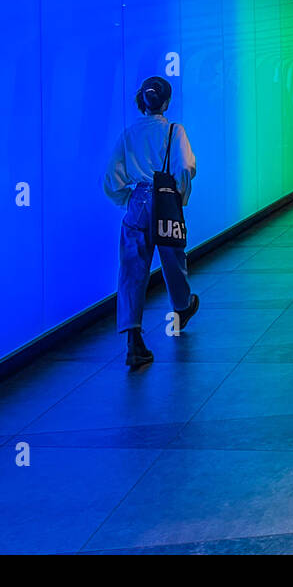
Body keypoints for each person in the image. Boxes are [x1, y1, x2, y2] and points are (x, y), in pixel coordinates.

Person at [103, 76, 199, 368]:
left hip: (138, 203)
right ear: (166, 102)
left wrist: (127, 201)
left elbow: (111, 178)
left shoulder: (128, 133)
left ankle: (133, 341)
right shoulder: (174, 130)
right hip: (165, 198)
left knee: (132, 271)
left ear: (141, 101)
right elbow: (185, 167)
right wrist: (178, 196)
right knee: (173, 258)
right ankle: (182, 306)